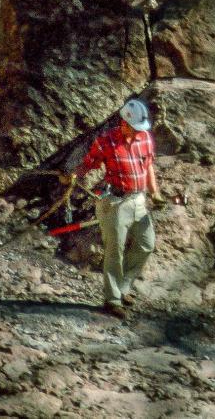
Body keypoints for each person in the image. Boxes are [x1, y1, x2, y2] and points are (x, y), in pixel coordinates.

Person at [68, 99, 161, 317]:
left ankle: (124, 286)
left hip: (139, 200)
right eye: (135, 128)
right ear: (124, 123)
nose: (139, 132)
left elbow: (148, 167)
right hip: (115, 202)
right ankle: (112, 299)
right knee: (114, 251)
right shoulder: (106, 142)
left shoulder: (145, 138)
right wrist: (73, 176)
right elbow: (88, 163)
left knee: (147, 244)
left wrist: (155, 193)